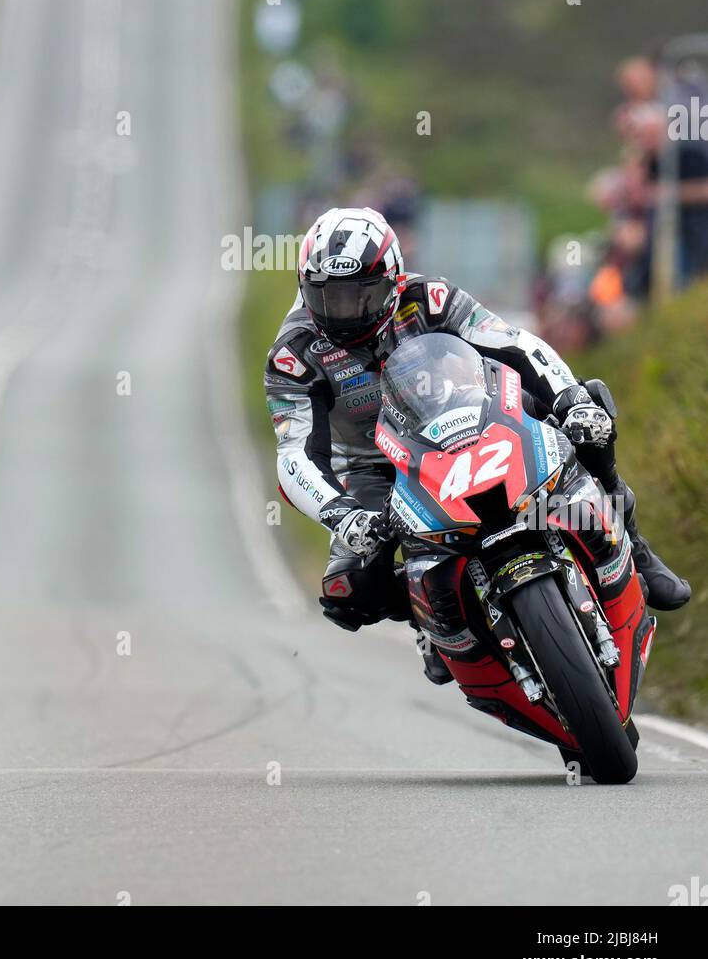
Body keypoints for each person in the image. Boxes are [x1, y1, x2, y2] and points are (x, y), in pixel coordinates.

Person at [264, 207, 690, 683]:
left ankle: (632, 542)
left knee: (589, 411)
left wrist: (569, 398)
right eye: (330, 298)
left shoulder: (430, 298)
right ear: (305, 289)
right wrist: (344, 515)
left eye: (360, 294)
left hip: (476, 416)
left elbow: (514, 343)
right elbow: (295, 453)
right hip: (378, 466)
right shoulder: (293, 353)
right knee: (348, 589)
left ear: (393, 277)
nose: (346, 312)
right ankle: (429, 618)